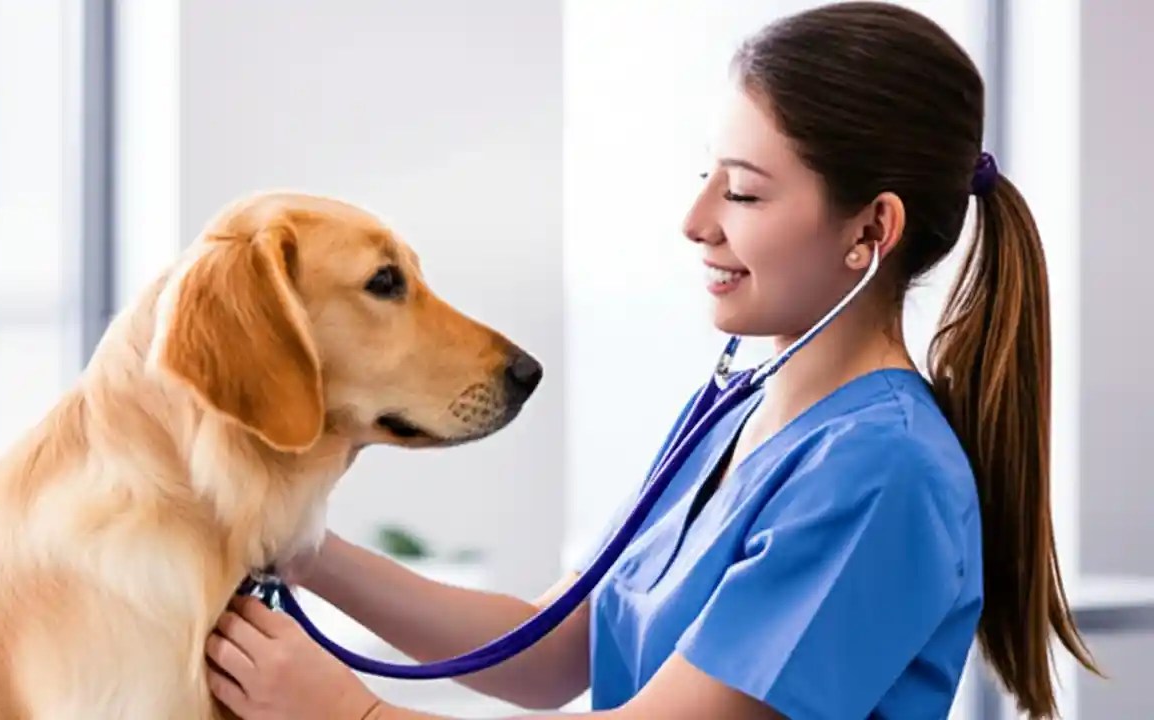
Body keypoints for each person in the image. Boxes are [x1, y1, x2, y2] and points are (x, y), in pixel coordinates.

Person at [203, 3, 1100, 718]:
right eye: (706, 174)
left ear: (871, 229)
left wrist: (348, 715)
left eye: (744, 190)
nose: (697, 218)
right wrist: (306, 550)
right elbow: (551, 651)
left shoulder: (882, 474)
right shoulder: (736, 414)